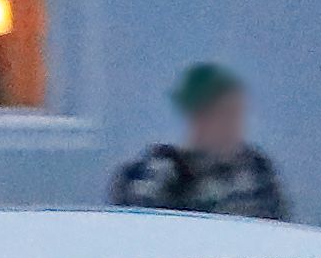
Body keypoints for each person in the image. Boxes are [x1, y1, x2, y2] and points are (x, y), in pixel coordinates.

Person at [110, 63, 288, 219]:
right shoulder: (148, 176)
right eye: (224, 114)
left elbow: (272, 235)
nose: (234, 126)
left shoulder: (256, 175)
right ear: (198, 117)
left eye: (238, 114)